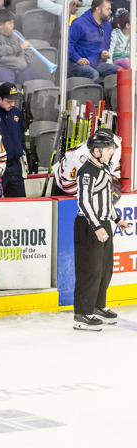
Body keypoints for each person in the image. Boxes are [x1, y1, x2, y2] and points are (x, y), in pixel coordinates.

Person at [72, 129, 127, 330]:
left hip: (103, 223)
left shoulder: (103, 168)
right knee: (90, 270)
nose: (111, 151)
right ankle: (82, 313)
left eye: (112, 148)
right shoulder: (86, 171)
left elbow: (106, 199)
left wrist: (116, 218)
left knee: (105, 269)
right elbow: (84, 202)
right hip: (88, 226)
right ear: (96, 151)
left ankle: (97, 306)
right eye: (108, 148)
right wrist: (96, 227)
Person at [0, 9, 42, 85]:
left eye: (13, 23)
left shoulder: (16, 33)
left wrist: (24, 61)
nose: (13, 26)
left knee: (38, 83)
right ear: (0, 25)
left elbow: (28, 50)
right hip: (1, 68)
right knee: (9, 89)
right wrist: (19, 48)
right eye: (10, 23)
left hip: (21, 67)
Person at [52, 127, 121, 196]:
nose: (112, 151)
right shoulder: (79, 156)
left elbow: (113, 172)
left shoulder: (116, 145)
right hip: (64, 186)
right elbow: (68, 186)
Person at [0, 82, 26, 197]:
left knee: (20, 202)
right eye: (9, 101)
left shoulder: (16, 113)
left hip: (15, 165)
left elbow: (21, 134)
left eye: (14, 101)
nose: (12, 104)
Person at [68, 0, 118, 83]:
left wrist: (104, 52)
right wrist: (78, 58)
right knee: (94, 74)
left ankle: (111, 96)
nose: (110, 12)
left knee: (119, 71)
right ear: (98, 9)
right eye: (108, 9)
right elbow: (68, 44)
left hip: (96, 62)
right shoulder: (79, 23)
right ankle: (94, 96)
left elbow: (107, 43)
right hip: (76, 63)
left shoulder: (107, 25)